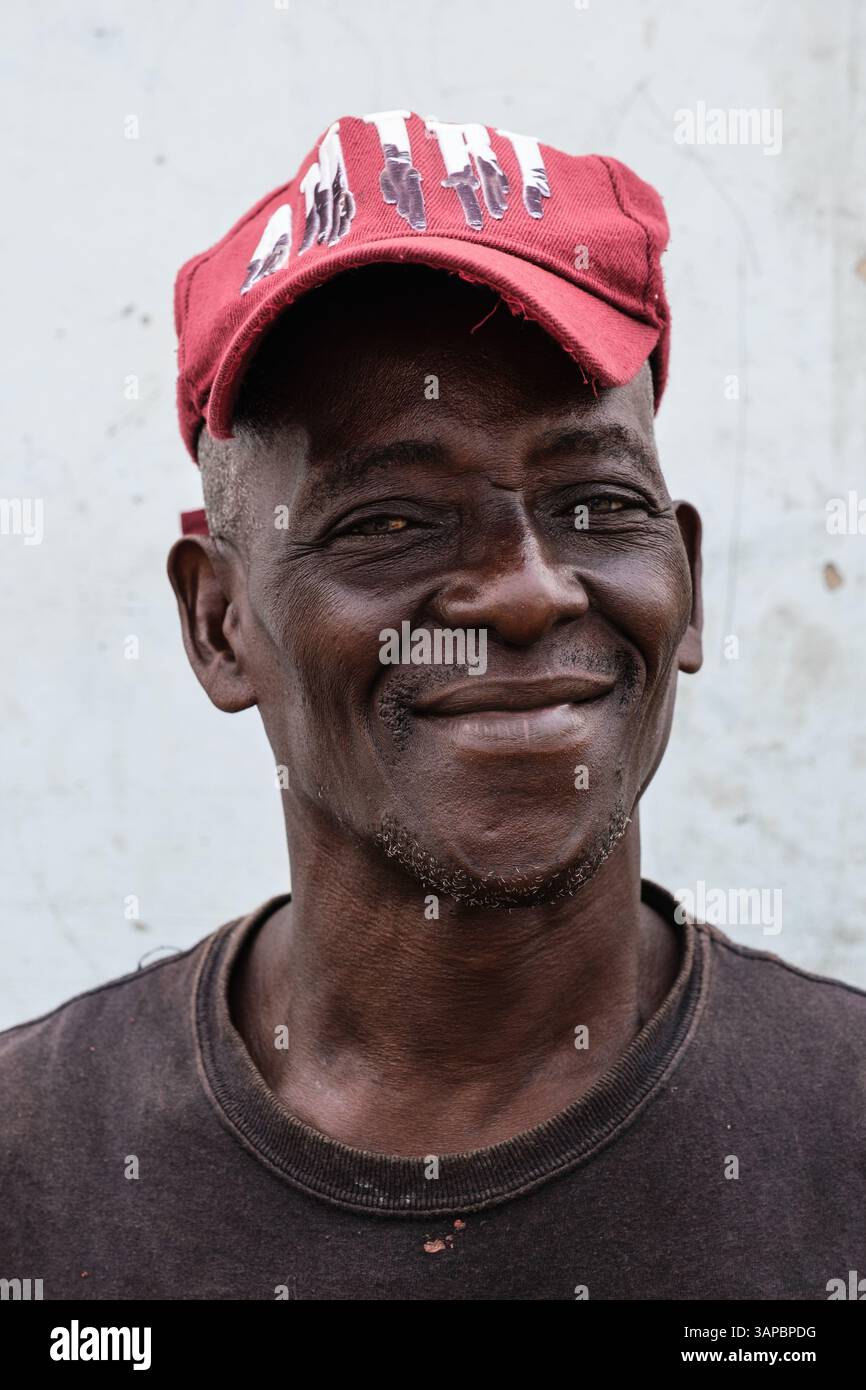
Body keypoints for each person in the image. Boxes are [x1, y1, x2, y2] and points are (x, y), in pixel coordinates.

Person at [1, 112, 863, 1301]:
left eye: (596, 504)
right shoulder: (35, 1170)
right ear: (218, 624)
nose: (522, 589)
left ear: (688, 581)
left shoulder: (840, 1134)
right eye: (388, 521)